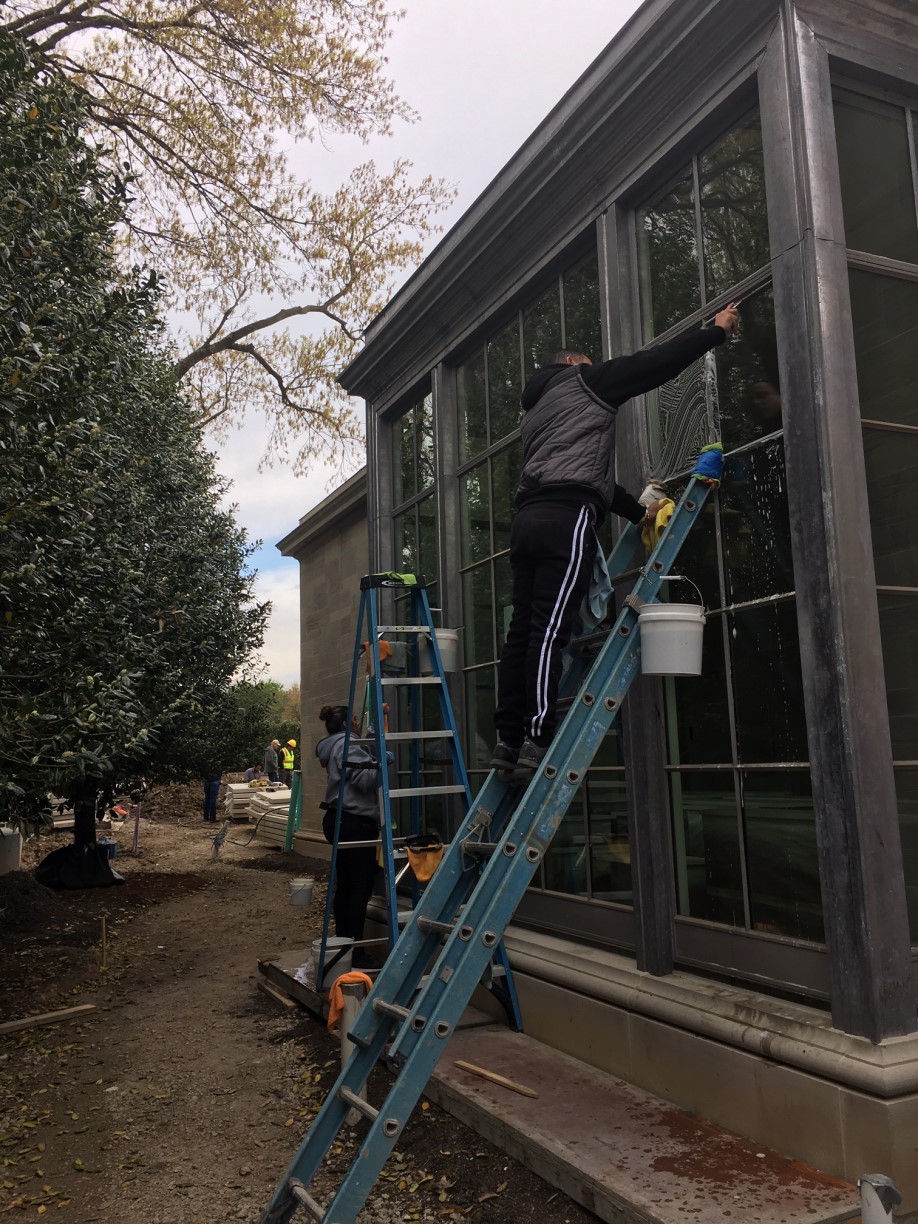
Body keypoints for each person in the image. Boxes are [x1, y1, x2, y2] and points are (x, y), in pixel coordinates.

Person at [493, 305, 741, 780]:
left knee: (522, 632)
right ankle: (537, 738)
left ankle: (508, 740)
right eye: (589, 362)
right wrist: (715, 333)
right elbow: (654, 365)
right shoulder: (583, 381)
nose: (597, 368)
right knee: (549, 632)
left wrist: (637, 510)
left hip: (528, 521)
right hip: (567, 520)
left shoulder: (537, 411)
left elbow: (590, 475)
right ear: (573, 364)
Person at [316, 704, 387, 970]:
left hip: (337, 818)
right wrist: (380, 758)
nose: (357, 723)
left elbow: (351, 768)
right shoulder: (348, 743)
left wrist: (367, 743)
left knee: (345, 886)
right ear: (346, 724)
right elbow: (364, 780)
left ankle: (343, 945)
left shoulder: (334, 744)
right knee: (359, 888)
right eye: (355, 720)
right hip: (354, 821)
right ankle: (355, 953)